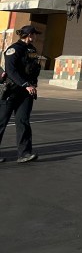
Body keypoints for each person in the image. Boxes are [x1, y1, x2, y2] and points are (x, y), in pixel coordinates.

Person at [0, 25, 42, 163]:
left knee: (23, 121)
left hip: (25, 93)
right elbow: (11, 71)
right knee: (1, 122)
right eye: (35, 34)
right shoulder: (14, 49)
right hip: (11, 91)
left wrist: (33, 84)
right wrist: (25, 84)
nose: (36, 37)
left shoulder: (32, 50)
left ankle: (24, 153)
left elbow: (34, 69)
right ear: (29, 35)